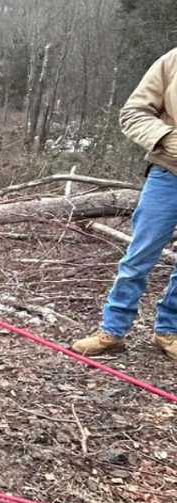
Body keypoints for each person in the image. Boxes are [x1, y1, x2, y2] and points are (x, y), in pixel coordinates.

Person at [71, 46, 177, 362]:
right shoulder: (172, 62)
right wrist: (170, 141)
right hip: (168, 174)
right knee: (139, 256)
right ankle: (112, 332)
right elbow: (132, 113)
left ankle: (168, 331)